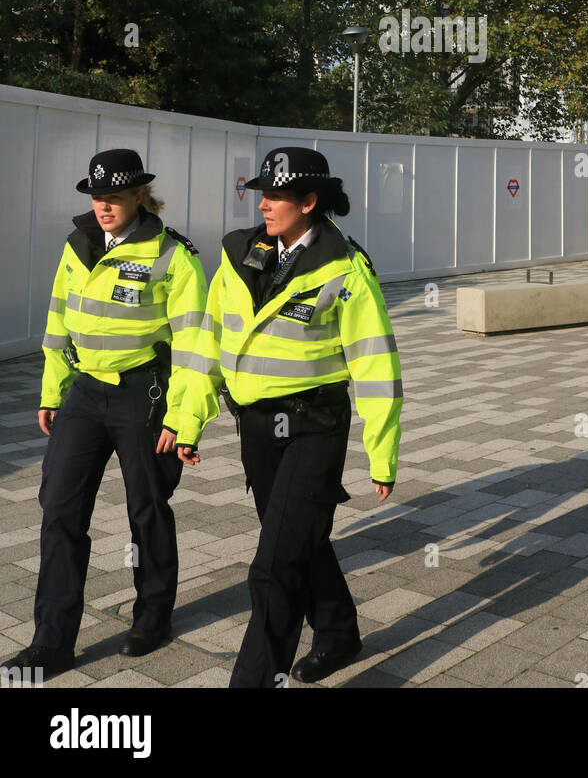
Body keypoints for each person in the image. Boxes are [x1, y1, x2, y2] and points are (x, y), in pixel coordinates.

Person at [172, 145, 403, 688]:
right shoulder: (236, 258)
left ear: (309, 201)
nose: (264, 205)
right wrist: (189, 419)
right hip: (256, 427)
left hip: (313, 426)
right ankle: (339, 631)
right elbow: (208, 344)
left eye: (276, 195)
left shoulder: (345, 269)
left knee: (274, 568)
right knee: (299, 541)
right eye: (262, 194)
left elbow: (375, 364)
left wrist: (382, 452)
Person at [6, 148, 207, 679]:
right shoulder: (76, 247)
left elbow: (194, 349)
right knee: (60, 512)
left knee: (147, 509)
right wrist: (53, 392)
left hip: (145, 394)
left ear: (139, 195)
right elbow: (57, 324)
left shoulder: (173, 256)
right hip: (86, 395)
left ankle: (153, 616)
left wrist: (184, 420)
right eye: (97, 197)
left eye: (114, 197)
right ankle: (51, 643)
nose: (104, 207)